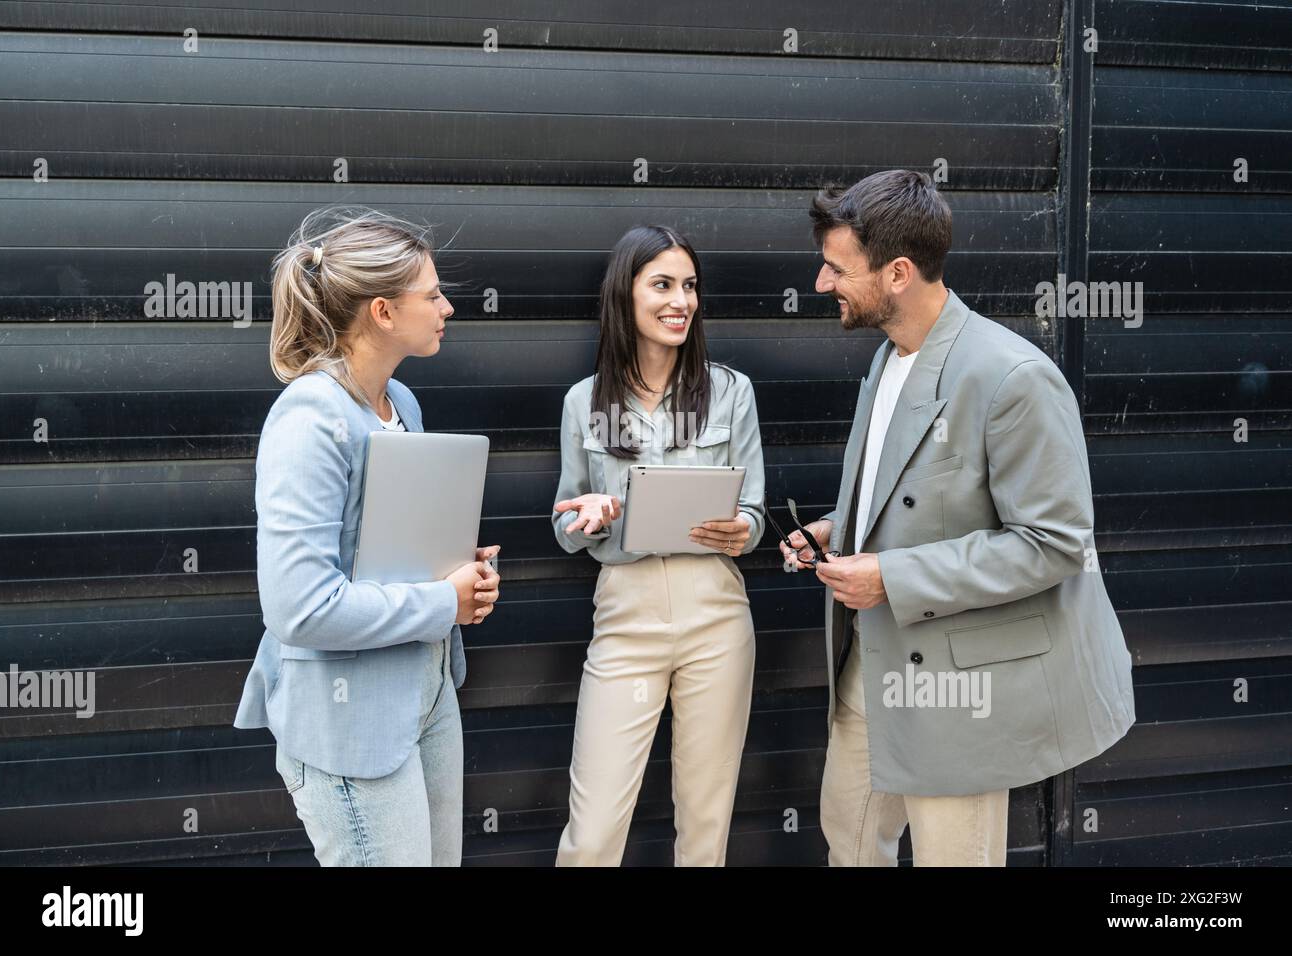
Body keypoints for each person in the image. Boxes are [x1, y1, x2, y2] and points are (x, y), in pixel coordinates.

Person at [782, 170, 1136, 866]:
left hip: (960, 691)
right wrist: (838, 528)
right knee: (848, 847)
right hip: (869, 665)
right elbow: (917, 494)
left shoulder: (1012, 377)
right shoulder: (888, 360)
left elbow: (1055, 543)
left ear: (899, 274)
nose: (822, 285)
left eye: (836, 269)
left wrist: (891, 575)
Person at [233, 206, 501, 866]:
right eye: (432, 294)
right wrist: (447, 602)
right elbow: (300, 608)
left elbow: (377, 550)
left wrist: (449, 563)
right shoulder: (308, 420)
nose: (446, 307)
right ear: (383, 311)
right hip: (348, 722)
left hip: (424, 691)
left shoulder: (399, 403)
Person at [551, 225, 766, 866]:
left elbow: (753, 511)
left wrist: (745, 530)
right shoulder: (584, 402)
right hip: (626, 616)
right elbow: (563, 526)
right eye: (663, 284)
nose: (681, 301)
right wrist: (584, 518)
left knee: (705, 827)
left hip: (716, 615)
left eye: (690, 286)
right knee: (591, 837)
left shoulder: (731, 391)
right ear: (626, 294)